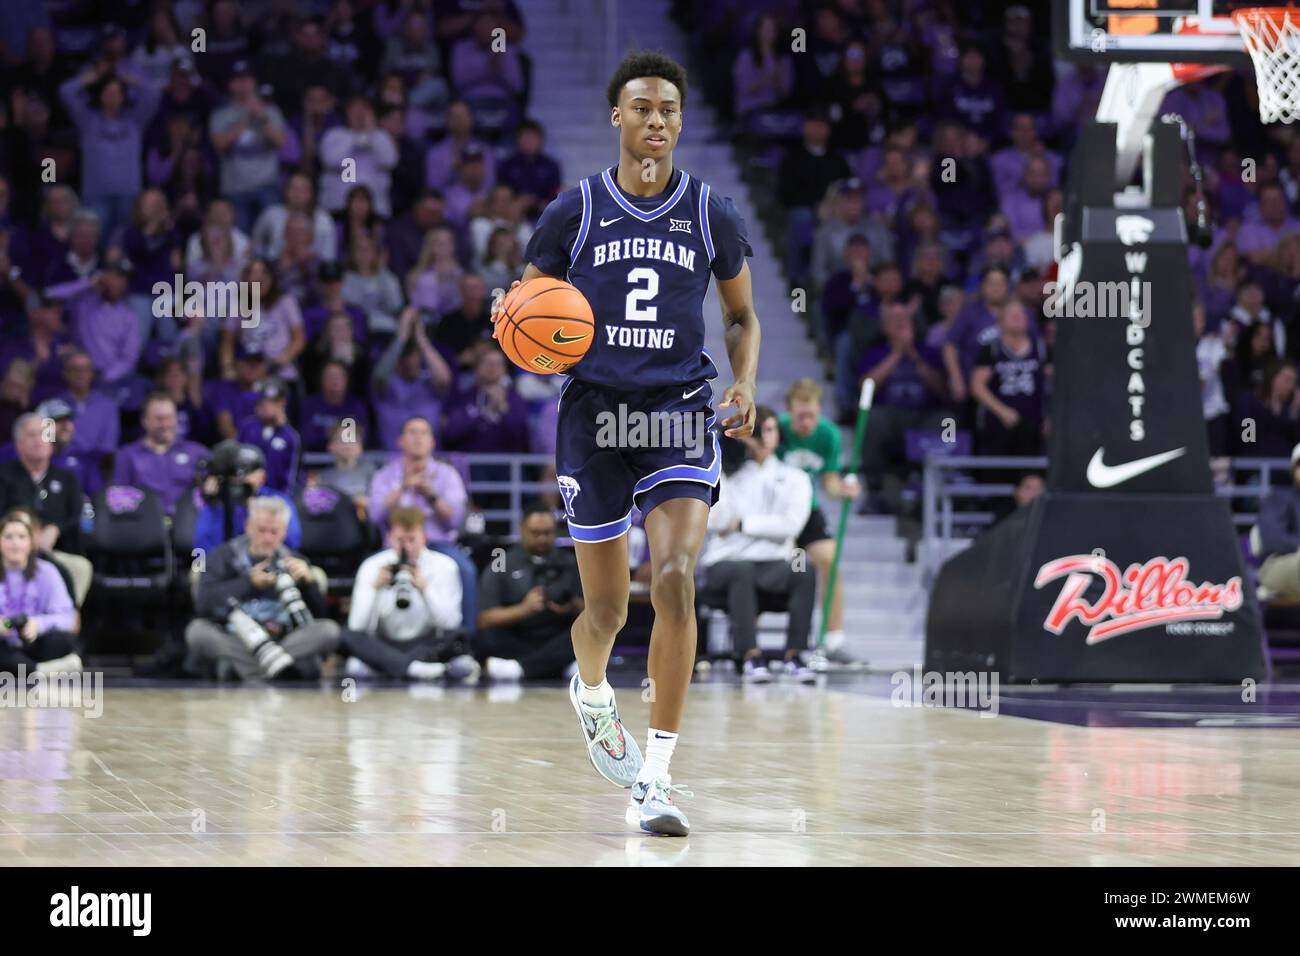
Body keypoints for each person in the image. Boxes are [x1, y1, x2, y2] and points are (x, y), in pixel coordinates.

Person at [495, 51, 759, 836]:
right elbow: (526, 308)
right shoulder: (572, 211)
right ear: (618, 118)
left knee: (675, 578)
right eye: (642, 107)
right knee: (605, 611)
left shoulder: (712, 211)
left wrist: (741, 385)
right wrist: (512, 325)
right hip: (594, 418)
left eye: (670, 109)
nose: (656, 120)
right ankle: (592, 690)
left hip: (678, 411)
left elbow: (742, 317)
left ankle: (657, 777)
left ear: (680, 121)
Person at [701, 406, 815, 683]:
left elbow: (790, 525)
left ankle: (795, 655)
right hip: (724, 564)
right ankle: (751, 656)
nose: (764, 437)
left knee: (804, 569)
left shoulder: (796, 479)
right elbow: (716, 520)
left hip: (771, 565)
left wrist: (743, 525)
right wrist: (734, 459)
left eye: (770, 429)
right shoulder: (724, 475)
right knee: (742, 571)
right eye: (756, 431)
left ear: (778, 434)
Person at [186, 496, 338, 680]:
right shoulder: (222, 556)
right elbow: (204, 603)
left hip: (284, 639)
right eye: (261, 530)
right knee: (197, 631)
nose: (267, 538)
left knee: (329, 631)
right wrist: (248, 583)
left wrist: (309, 582)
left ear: (284, 532)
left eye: (274, 532)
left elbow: (319, 616)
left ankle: (252, 671)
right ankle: (274, 668)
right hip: (238, 640)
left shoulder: (294, 560)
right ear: (248, 526)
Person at [777, 379, 864, 667]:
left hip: (808, 511)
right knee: (773, 565)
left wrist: (844, 490)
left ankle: (833, 638)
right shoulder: (777, 430)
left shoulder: (828, 435)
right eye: (800, 415)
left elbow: (829, 483)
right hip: (776, 512)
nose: (806, 422)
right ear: (790, 412)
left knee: (829, 559)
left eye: (811, 415)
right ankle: (750, 643)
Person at [367, 415, 476, 630]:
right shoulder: (386, 475)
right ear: (400, 441)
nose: (418, 438)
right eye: (412, 432)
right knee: (367, 570)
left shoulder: (447, 475)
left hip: (439, 544)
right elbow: (374, 516)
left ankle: (465, 638)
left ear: (432, 442)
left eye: (424, 433)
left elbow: (455, 520)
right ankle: (366, 637)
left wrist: (432, 496)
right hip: (396, 546)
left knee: (467, 569)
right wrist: (402, 489)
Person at [341, 506, 475, 681]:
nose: (407, 547)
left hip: (426, 644)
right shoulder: (372, 566)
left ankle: (392, 667)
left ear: (424, 538)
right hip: (386, 644)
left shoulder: (445, 566)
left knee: (460, 646)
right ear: (389, 538)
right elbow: (357, 627)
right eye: (400, 540)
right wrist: (374, 589)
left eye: (412, 540)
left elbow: (451, 624)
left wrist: (426, 589)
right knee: (347, 638)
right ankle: (412, 668)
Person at [474, 503, 582, 681]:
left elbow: (592, 612)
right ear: (521, 528)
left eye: (548, 533)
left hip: (556, 635)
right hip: (517, 636)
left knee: (583, 639)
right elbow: (485, 620)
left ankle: (520, 669)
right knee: (485, 640)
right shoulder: (501, 562)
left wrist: (571, 607)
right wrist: (524, 609)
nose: (542, 539)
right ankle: (556, 667)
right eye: (535, 533)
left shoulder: (570, 562)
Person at [0, 510, 81, 676]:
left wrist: (38, 624)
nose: (15, 543)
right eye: (8, 537)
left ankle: (24, 670)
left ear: (31, 543)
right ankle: (40, 671)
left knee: (64, 640)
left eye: (22, 537)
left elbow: (67, 617)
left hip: (34, 640)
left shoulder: (47, 571)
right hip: (4, 642)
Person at [193, 441, 301, 555]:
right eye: (235, 472)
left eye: (247, 472)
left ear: (263, 476)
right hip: (226, 566)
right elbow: (201, 548)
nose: (241, 477)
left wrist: (255, 513)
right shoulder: (220, 500)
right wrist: (213, 507)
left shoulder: (277, 501)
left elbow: (293, 544)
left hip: (268, 564)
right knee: (198, 570)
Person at [0, 413, 85, 557]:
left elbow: (77, 514)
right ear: (19, 444)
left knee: (81, 567)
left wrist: (56, 528)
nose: (38, 440)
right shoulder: (3, 475)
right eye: (32, 435)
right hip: (11, 551)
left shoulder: (67, 478)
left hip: (59, 551)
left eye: (44, 434)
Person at [112, 393, 209, 515]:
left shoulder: (197, 452)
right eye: (159, 419)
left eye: (169, 418)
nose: (165, 425)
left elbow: (211, 489)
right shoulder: (127, 456)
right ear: (145, 421)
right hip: (146, 526)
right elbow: (118, 500)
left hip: (189, 525)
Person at [236, 378, 301, 493]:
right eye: (257, 403)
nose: (259, 407)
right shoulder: (247, 427)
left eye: (265, 403)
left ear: (281, 403)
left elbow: (291, 477)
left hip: (277, 498)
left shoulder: (290, 437)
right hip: (246, 494)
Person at [1256, 442, 1300, 600]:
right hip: (1278, 562)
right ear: (1293, 470)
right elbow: (1272, 538)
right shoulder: (1278, 497)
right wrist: (1296, 546)